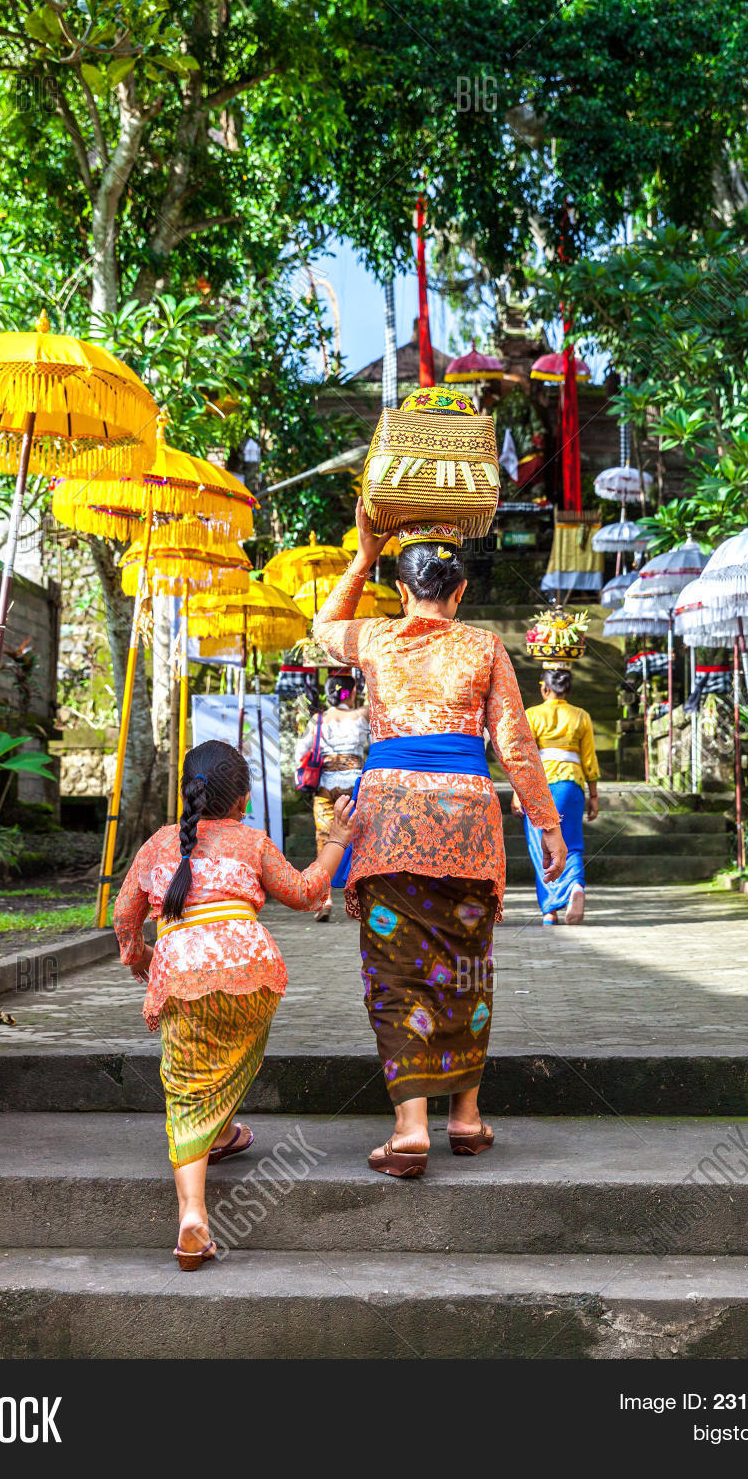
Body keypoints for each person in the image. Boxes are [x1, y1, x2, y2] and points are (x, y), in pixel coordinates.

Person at [313, 499, 566, 1178]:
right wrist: (546, 825)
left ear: (402, 592)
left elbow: (321, 627)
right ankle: (466, 1118)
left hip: (389, 823)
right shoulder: (482, 645)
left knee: (398, 975)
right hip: (469, 824)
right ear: (458, 592)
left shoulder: (375, 638)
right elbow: (514, 743)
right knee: (467, 967)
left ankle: (410, 1129)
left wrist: (364, 555)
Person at [113, 738, 357, 1270]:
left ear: (187, 793)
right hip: (252, 976)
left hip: (183, 975)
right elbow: (307, 891)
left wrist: (140, 959)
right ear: (243, 798)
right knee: (228, 1058)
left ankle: (193, 1216)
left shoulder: (157, 846)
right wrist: (337, 841)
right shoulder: (252, 841)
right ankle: (222, 1133)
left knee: (187, 1088)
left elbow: (124, 921)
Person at [513, 666, 599, 925]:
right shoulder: (581, 716)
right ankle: (576, 886)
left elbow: (523, 757)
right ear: (568, 689)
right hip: (571, 785)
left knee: (540, 844)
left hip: (539, 786)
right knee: (569, 841)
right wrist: (593, 796)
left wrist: (518, 792)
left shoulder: (532, 715)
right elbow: (589, 759)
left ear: (545, 688)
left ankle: (549, 910)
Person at [294, 672, 369, 921]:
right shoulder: (362, 715)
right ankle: (357, 894)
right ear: (352, 692)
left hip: (326, 786)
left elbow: (300, 752)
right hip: (355, 785)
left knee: (325, 841)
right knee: (359, 840)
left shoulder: (318, 720)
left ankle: (324, 899)